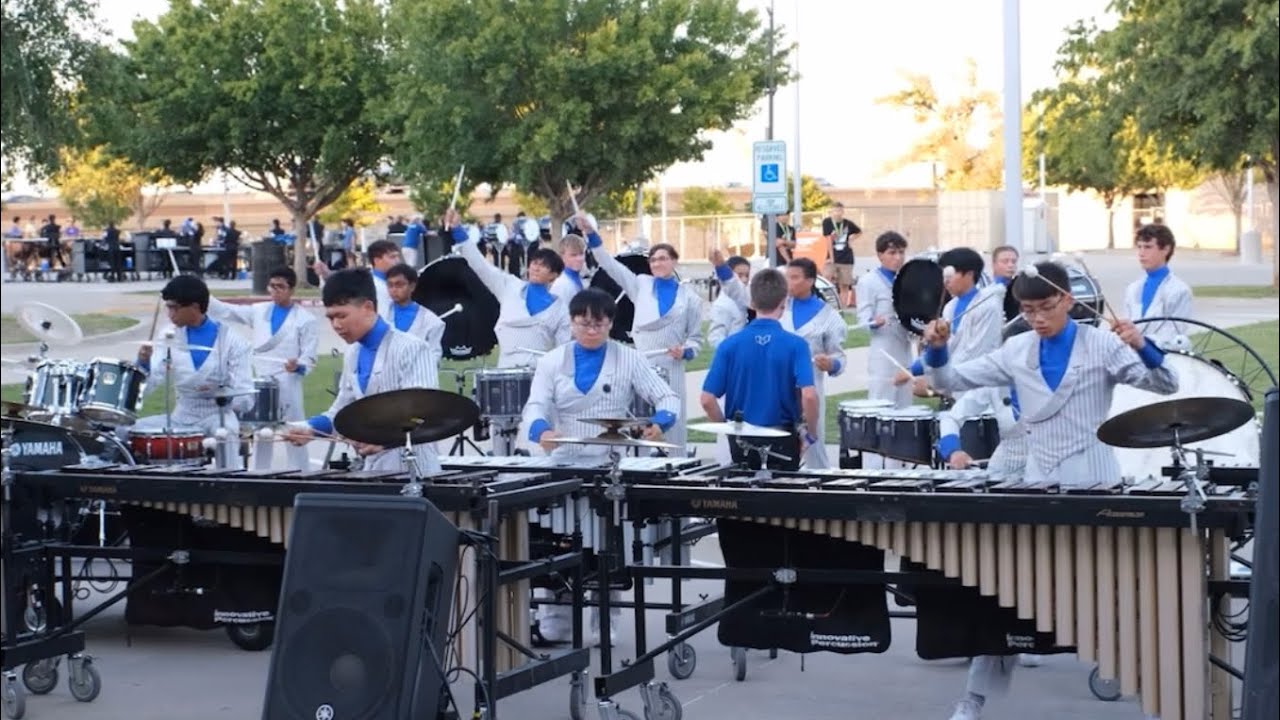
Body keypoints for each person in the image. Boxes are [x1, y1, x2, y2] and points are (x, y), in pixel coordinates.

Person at [923, 261, 1178, 488]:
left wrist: (1142, 345)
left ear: (1067, 300)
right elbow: (946, 381)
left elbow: (1168, 384)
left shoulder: (1103, 344)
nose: (1038, 318)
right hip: (1039, 479)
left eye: (1046, 307)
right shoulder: (1016, 349)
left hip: (1095, 478)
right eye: (1029, 310)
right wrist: (937, 349)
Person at [284, 268, 441, 474]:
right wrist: (309, 427)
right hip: (374, 471)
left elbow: (424, 414)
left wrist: (386, 440)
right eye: (330, 318)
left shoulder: (412, 348)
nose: (336, 325)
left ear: (367, 307)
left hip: (415, 472)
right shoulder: (353, 352)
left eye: (342, 316)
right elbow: (341, 412)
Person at [579, 213, 703, 452]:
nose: (657, 264)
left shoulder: (691, 299)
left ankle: (677, 473)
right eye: (654, 260)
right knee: (638, 427)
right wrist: (591, 234)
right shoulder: (640, 285)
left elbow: (696, 339)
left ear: (674, 261)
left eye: (663, 259)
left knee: (674, 428)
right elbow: (607, 262)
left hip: (672, 366)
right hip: (642, 364)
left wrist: (685, 351)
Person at [523, 288, 679, 458]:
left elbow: (667, 397)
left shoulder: (631, 358)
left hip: (611, 460)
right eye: (585, 324)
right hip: (563, 459)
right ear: (572, 322)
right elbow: (536, 405)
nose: (591, 331)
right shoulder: (551, 360)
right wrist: (541, 431)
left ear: (610, 323)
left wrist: (660, 422)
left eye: (599, 325)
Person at [700, 268, 820, 470]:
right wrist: (811, 434)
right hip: (782, 438)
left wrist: (728, 430)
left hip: (742, 440)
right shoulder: (796, 345)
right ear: (784, 301)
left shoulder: (729, 345)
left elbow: (707, 399)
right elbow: (809, 395)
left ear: (752, 303)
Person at [135, 275, 255, 469]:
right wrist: (143, 363)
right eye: (168, 307)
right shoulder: (168, 336)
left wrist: (222, 393)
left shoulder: (233, 341)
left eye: (174, 308)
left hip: (218, 415)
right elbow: (151, 384)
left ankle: (231, 488)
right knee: (128, 431)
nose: (170, 314)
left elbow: (247, 398)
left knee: (226, 434)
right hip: (181, 415)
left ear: (195, 307)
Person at [207, 267, 319, 471]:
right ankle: (260, 472)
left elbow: (310, 356)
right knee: (261, 429)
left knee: (293, 428)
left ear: (292, 289)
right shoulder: (259, 311)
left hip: (288, 379)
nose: (276, 291)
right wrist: (204, 295)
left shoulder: (306, 319)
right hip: (262, 378)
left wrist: (298, 365)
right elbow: (227, 311)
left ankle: (301, 472)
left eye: (281, 287)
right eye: (272, 286)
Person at [447, 208, 571, 368]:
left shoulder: (560, 309)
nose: (536, 268)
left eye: (544, 266)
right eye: (535, 263)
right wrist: (458, 230)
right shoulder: (509, 286)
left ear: (554, 275)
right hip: (505, 370)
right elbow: (481, 266)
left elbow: (564, 350)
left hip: (539, 373)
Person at [897, 248, 1002, 394]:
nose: (945, 281)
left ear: (969, 274)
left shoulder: (988, 307)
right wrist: (913, 369)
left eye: (950, 275)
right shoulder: (950, 307)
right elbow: (946, 348)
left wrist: (932, 383)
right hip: (954, 386)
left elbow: (976, 354)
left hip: (979, 391)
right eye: (943, 275)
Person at [779, 258, 848, 468]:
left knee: (813, 448)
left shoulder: (830, 317)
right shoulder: (778, 308)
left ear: (810, 281)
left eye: (795, 277)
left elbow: (840, 358)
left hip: (811, 390)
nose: (788, 282)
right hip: (778, 389)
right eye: (787, 277)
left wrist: (831, 364)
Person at [856, 231, 913, 409]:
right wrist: (874, 322)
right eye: (892, 253)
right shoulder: (869, 281)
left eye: (901, 252)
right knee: (881, 400)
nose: (898, 257)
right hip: (883, 351)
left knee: (905, 403)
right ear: (880, 255)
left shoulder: (908, 280)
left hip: (904, 348)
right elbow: (862, 319)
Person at [1123, 223, 1193, 346]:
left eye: (1148, 247)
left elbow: (1173, 335)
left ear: (1166, 249)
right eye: (1139, 247)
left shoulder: (1180, 291)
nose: (1141, 253)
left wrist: (1140, 341)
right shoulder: (1133, 289)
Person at [314, 239, 402, 324]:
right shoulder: (365, 282)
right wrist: (326, 274)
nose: (397, 261)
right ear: (377, 260)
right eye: (392, 257)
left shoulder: (404, 281)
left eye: (398, 256)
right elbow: (341, 283)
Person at [385, 263, 446, 367]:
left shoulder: (431, 321)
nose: (394, 290)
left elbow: (434, 356)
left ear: (412, 286)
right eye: (390, 285)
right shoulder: (380, 314)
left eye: (399, 285)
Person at [707, 254, 752, 345]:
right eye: (740, 275)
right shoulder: (722, 305)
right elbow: (715, 337)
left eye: (747, 275)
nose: (744, 279)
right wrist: (732, 350)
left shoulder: (746, 295)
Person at [823, 203, 862, 307]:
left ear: (843, 211)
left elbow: (859, 232)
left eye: (839, 210)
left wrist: (851, 239)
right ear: (831, 211)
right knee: (826, 279)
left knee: (844, 285)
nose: (837, 213)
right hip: (833, 257)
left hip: (846, 258)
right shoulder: (827, 222)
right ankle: (827, 305)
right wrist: (831, 258)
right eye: (835, 210)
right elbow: (828, 241)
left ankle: (842, 308)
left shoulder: (848, 223)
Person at [549, 233, 587, 300]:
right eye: (573, 255)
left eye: (581, 254)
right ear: (562, 256)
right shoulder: (561, 285)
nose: (579, 259)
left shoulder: (579, 279)